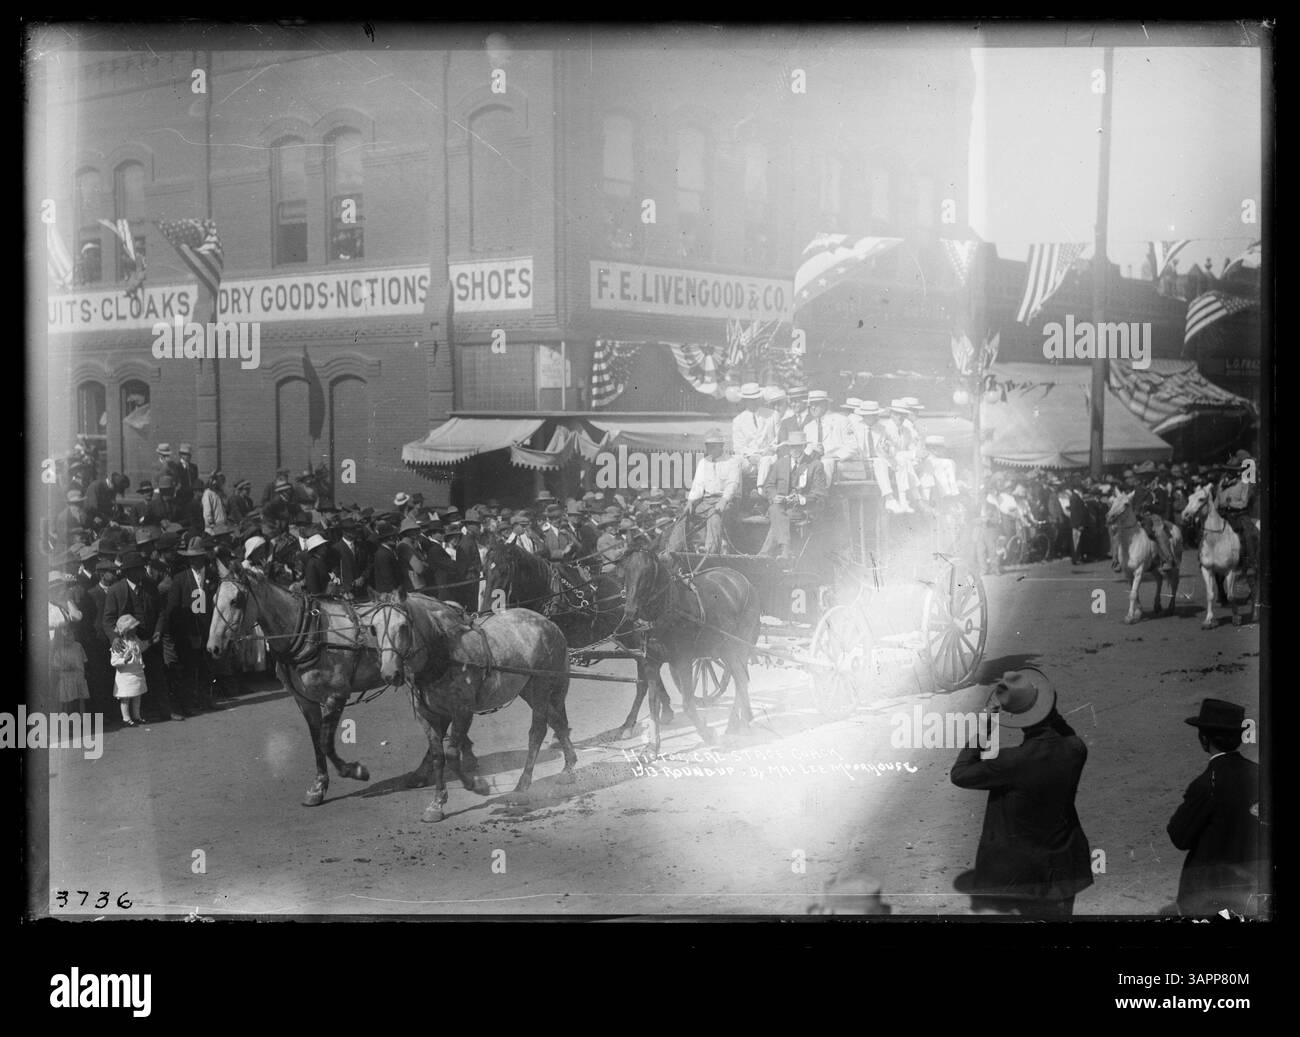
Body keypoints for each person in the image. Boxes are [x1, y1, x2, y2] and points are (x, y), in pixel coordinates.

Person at [950, 667, 1093, 916]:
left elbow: (960, 773)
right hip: (1063, 866)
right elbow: (1065, 733)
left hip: (1021, 874)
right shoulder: (1075, 749)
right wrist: (1046, 707)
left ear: (1015, 715)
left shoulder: (1010, 762)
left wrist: (985, 725)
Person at [1165, 699, 1260, 917]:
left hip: (1207, 894)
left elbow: (1179, 837)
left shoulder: (1206, 784)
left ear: (1203, 738)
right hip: (1251, 890)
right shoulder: (1260, 775)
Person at [159, 536, 218, 715]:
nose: (194, 560)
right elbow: (172, 609)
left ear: (203, 557)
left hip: (207, 629)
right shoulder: (180, 579)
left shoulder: (212, 574)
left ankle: (206, 699)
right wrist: (178, 632)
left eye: (198, 556)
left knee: (206, 667)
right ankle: (189, 703)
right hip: (188, 632)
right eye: (191, 557)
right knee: (189, 669)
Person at [758, 430, 826, 558]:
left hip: (800, 508)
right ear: (788, 447)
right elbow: (769, 485)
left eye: (798, 446)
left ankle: (765, 554)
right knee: (775, 508)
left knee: (778, 516)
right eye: (792, 446)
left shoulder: (815, 465)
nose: (795, 450)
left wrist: (801, 499)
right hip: (781, 505)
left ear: (804, 447)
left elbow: (820, 493)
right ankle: (785, 549)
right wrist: (774, 496)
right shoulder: (780, 464)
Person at [673, 428, 740, 555]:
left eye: (712, 445)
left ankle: (710, 550)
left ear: (721, 446)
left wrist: (724, 501)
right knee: (684, 514)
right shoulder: (703, 462)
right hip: (706, 500)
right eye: (707, 445)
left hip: (726, 501)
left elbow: (732, 484)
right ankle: (673, 550)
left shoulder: (732, 462)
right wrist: (690, 502)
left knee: (714, 515)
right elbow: (698, 485)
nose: (709, 448)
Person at [731, 382, 776, 482]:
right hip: (749, 460)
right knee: (735, 463)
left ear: (760, 399)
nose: (753, 402)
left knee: (765, 462)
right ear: (744, 401)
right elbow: (738, 447)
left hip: (768, 457)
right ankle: (736, 496)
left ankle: (761, 493)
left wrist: (771, 450)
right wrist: (751, 456)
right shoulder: (738, 420)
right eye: (749, 400)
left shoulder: (772, 415)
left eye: (755, 399)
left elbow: (778, 439)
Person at [109, 614, 148, 727]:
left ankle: (137, 716)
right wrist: (124, 660)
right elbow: (114, 661)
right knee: (125, 698)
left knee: (137, 696)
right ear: (126, 630)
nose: (135, 630)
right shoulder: (119, 644)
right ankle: (126, 718)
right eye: (133, 628)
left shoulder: (135, 640)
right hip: (125, 675)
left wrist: (150, 642)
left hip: (137, 673)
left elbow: (142, 647)